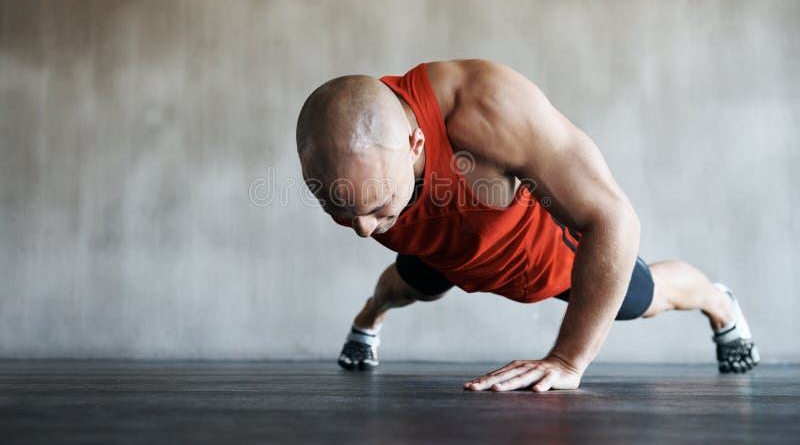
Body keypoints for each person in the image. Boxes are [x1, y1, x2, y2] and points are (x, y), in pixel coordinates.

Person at [295, 59, 759, 392]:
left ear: (415, 144)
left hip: (538, 254)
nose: (363, 231)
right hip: (445, 247)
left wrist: (567, 360)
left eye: (379, 207)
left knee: (644, 299)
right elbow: (364, 211)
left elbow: (614, 219)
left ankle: (719, 302)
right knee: (406, 287)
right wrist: (371, 205)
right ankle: (368, 319)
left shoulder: (489, 110)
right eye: (337, 207)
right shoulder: (345, 159)